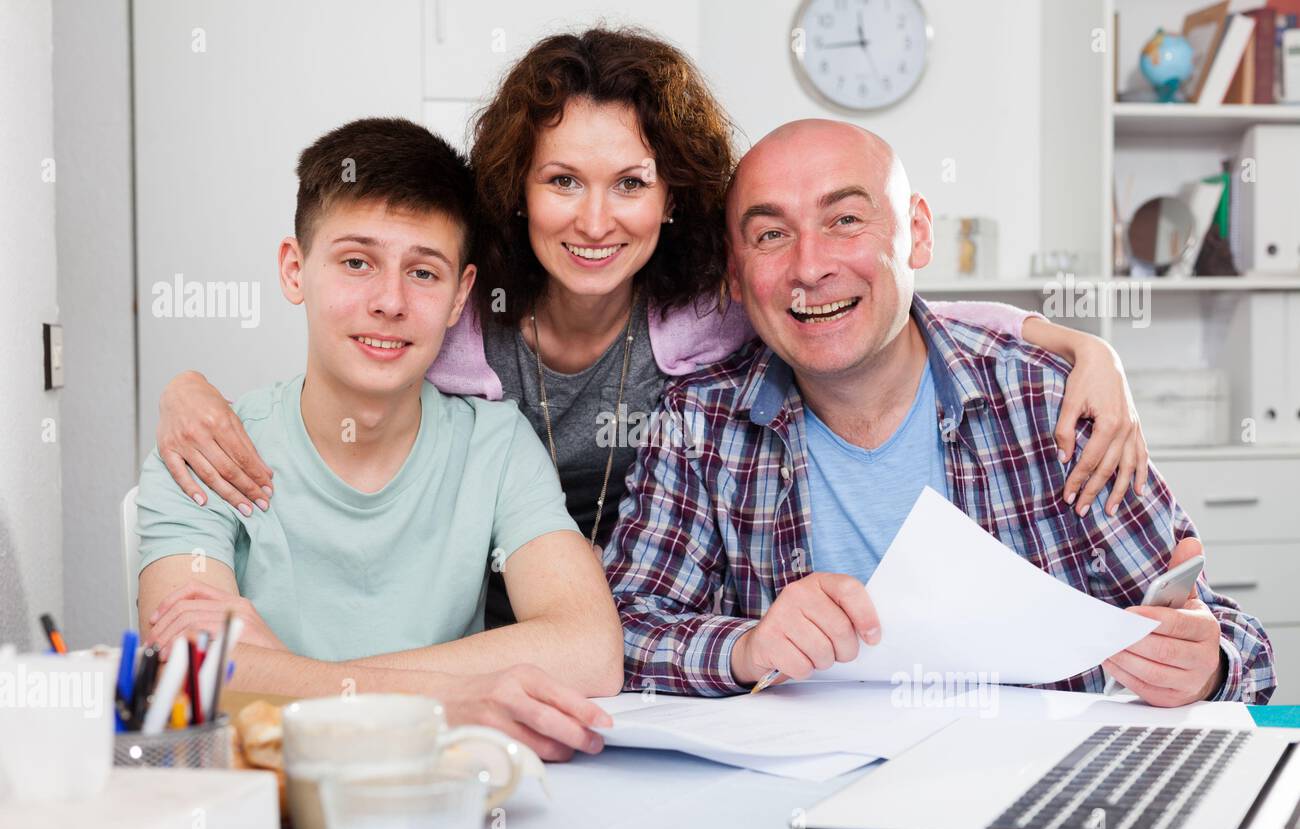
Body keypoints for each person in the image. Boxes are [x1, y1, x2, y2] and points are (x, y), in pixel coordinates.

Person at [148, 29, 1150, 630]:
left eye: (630, 183)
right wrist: (193, 388)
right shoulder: (456, 316)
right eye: (560, 182)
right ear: (516, 188)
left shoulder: (707, 310)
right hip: (487, 631)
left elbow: (864, 301)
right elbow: (348, 354)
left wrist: (1070, 344)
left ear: (672, 198)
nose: (595, 221)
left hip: (629, 628)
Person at [606, 119, 1275, 707]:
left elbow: (1235, 643)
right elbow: (623, 633)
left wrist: (1206, 665)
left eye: (845, 220)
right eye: (772, 234)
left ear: (917, 235)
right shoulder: (698, 425)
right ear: (734, 271)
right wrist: (746, 647)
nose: (809, 268)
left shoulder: (1052, 403)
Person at [136, 118, 621, 761]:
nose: (389, 301)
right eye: (357, 262)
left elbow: (590, 650)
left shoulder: (495, 445)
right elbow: (186, 671)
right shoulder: (204, 449)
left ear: (459, 296)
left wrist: (286, 677)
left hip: (438, 804)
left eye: (423, 273)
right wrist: (441, 702)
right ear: (294, 269)